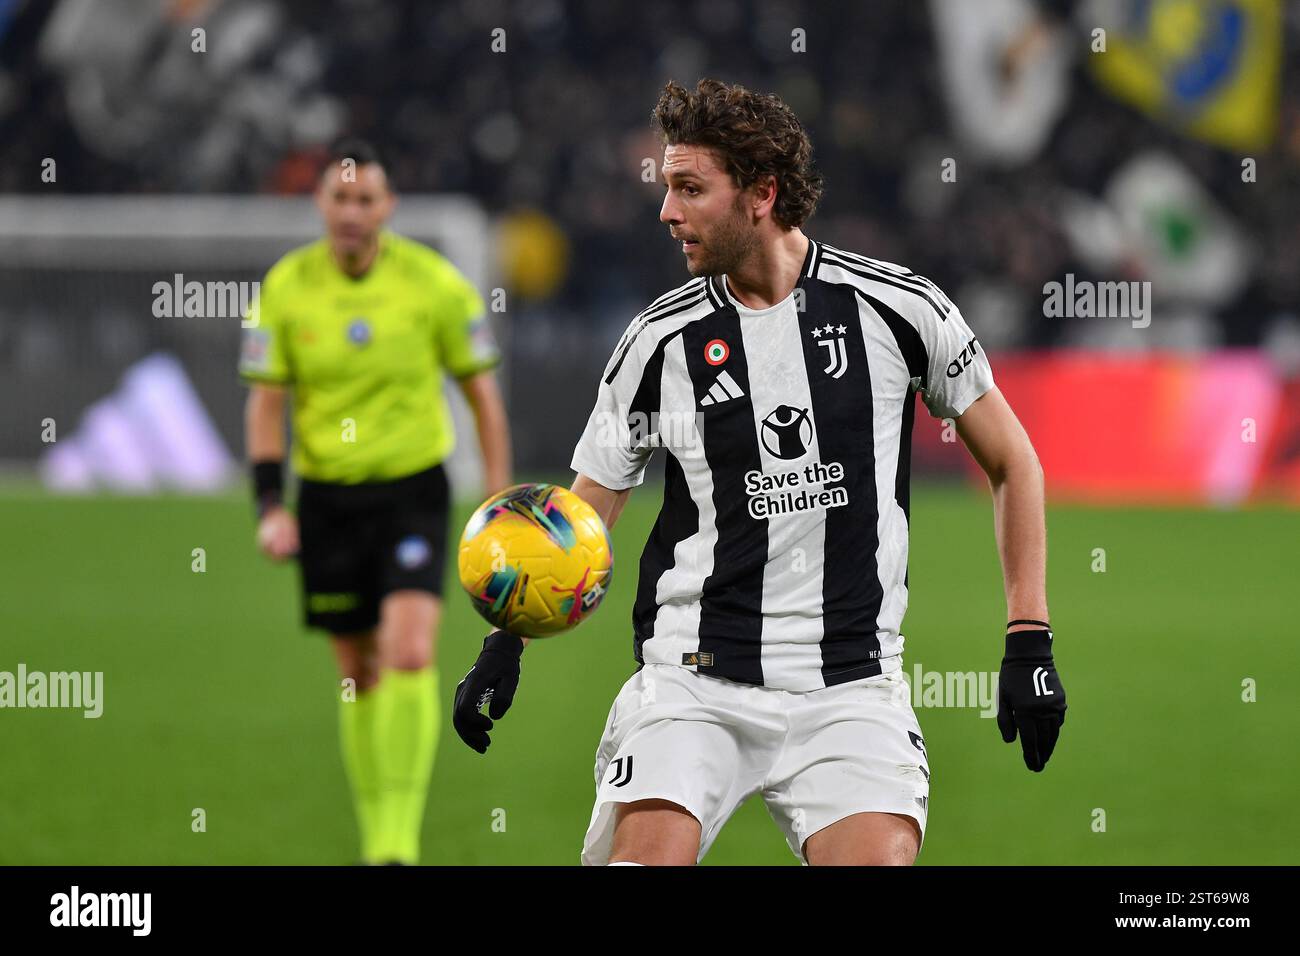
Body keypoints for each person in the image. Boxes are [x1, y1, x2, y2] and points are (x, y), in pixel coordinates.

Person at [453, 79, 1065, 866]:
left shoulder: (898, 310)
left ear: (761, 194)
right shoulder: (658, 343)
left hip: (849, 686)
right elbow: (580, 515)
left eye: (689, 188)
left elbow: (1013, 460)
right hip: (693, 682)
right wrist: (505, 644)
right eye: (668, 187)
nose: (666, 211)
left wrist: (1029, 639)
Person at [241, 139, 511, 865]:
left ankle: (397, 843)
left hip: (412, 493)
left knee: (411, 650)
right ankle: (374, 839)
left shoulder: (434, 284)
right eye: (341, 198)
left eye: (367, 200)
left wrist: (498, 504)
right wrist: (272, 505)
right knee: (358, 674)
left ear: (387, 207)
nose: (353, 212)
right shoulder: (288, 286)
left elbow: (482, 397)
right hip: (326, 498)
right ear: (321, 204)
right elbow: (267, 406)